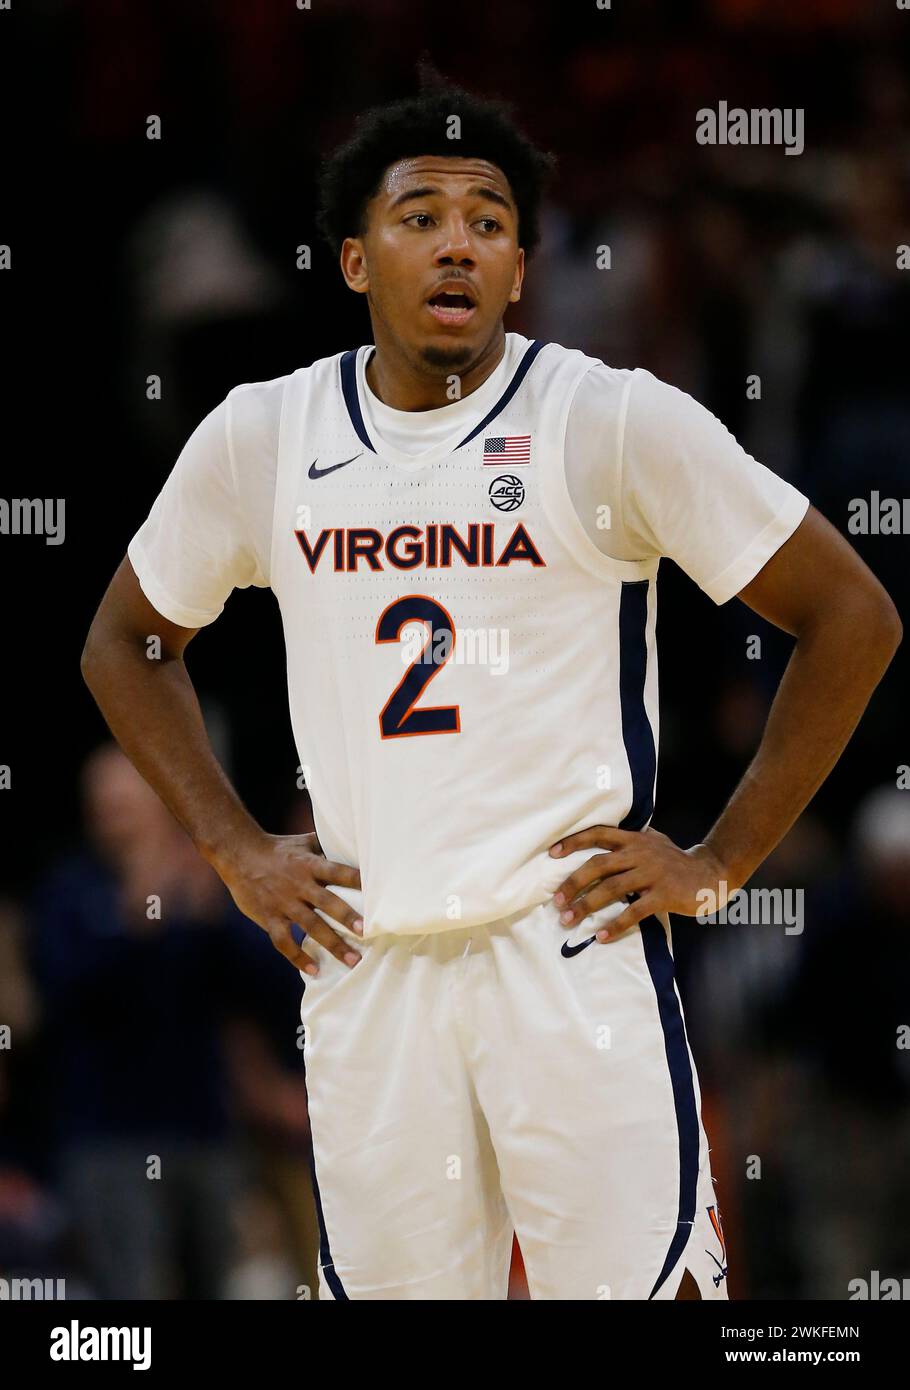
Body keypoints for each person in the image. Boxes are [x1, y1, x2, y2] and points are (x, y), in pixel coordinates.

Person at [81, 70, 901, 1300]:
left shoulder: (610, 421)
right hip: (367, 968)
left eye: (488, 219)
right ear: (356, 262)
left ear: (521, 269)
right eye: (421, 217)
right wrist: (234, 847)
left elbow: (853, 614)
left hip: (567, 954)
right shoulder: (264, 435)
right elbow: (126, 639)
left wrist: (719, 857)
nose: (457, 242)